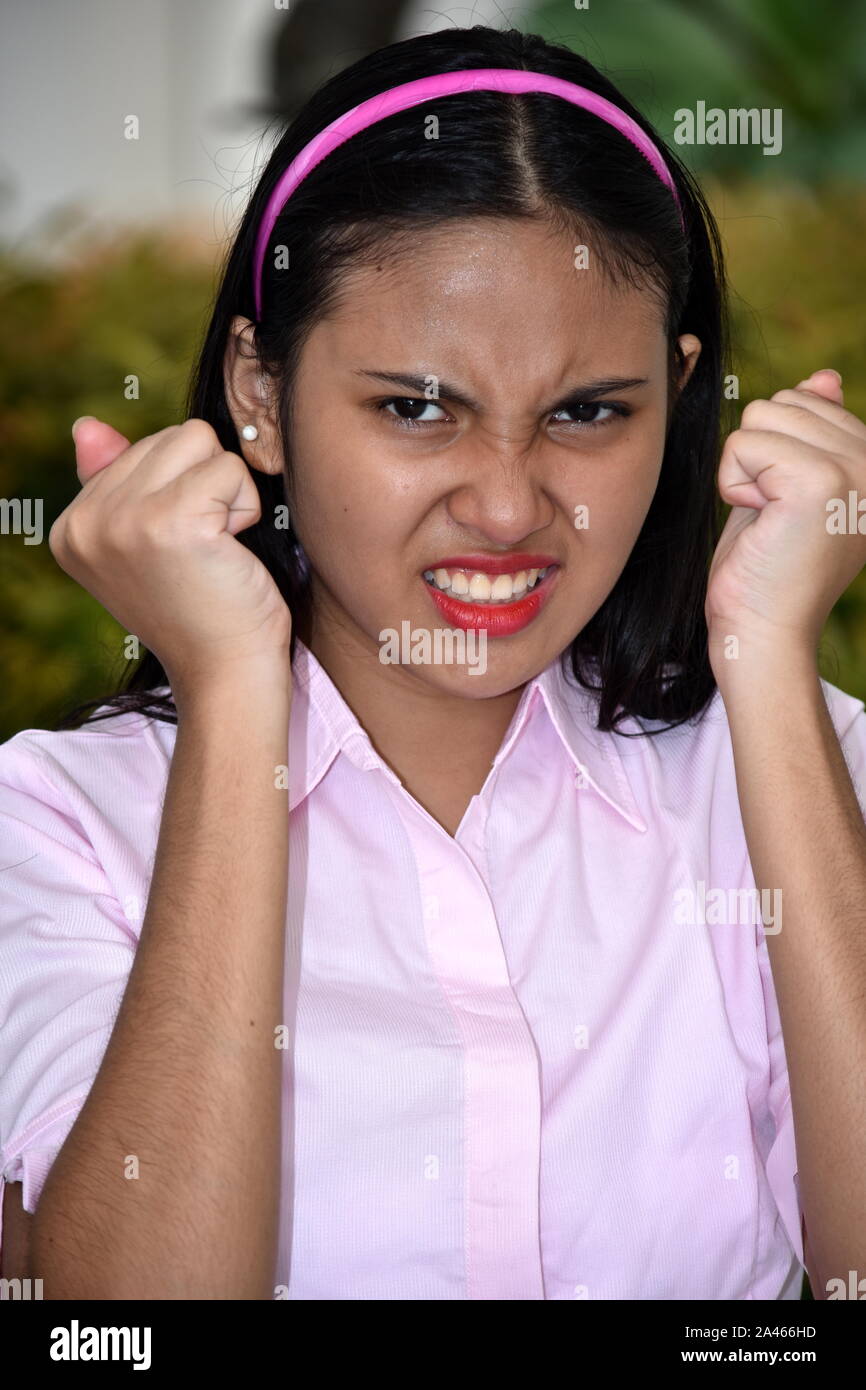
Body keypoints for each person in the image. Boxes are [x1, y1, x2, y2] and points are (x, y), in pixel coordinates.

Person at [1, 24, 865, 1302]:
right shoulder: (62, 826)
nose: (509, 506)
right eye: (416, 407)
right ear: (258, 391)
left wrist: (765, 658)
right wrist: (239, 696)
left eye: (586, 411)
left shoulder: (796, 771)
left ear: (678, 399)